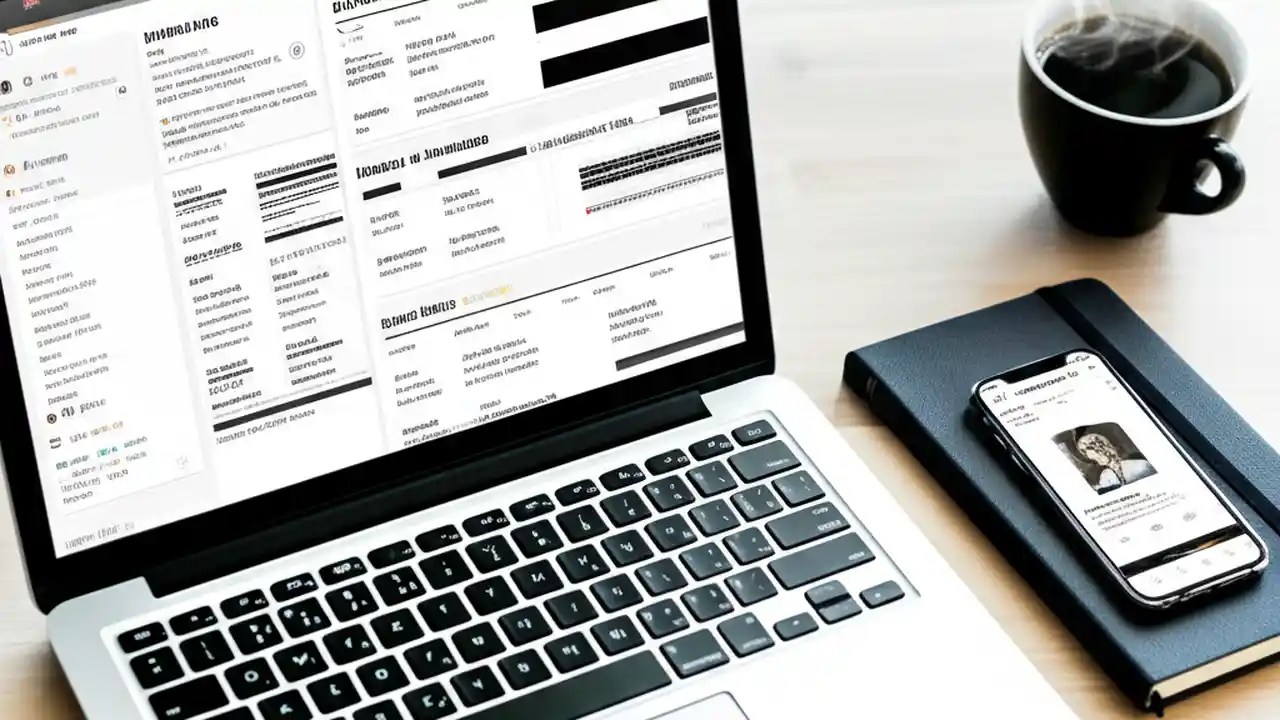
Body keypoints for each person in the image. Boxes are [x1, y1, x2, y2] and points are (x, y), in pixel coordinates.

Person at [1076, 432, 1156, 491]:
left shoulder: (1141, 465)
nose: (1098, 459)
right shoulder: (1105, 476)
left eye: (1099, 454)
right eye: (1095, 458)